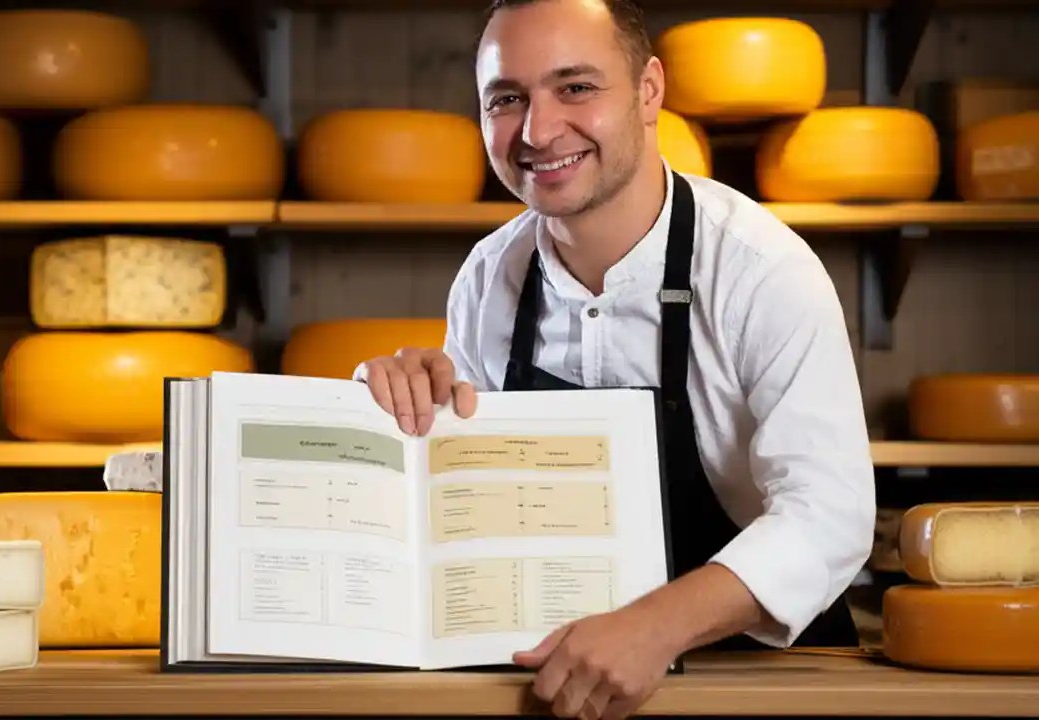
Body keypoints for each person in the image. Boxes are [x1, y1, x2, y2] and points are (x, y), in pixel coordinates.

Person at [354, 0, 876, 717]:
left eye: (575, 87)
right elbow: (474, 510)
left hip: (758, 681)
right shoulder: (488, 277)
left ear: (649, 90)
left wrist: (654, 626)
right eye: (507, 99)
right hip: (552, 677)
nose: (537, 131)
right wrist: (398, 417)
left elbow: (829, 518)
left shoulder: (760, 270)